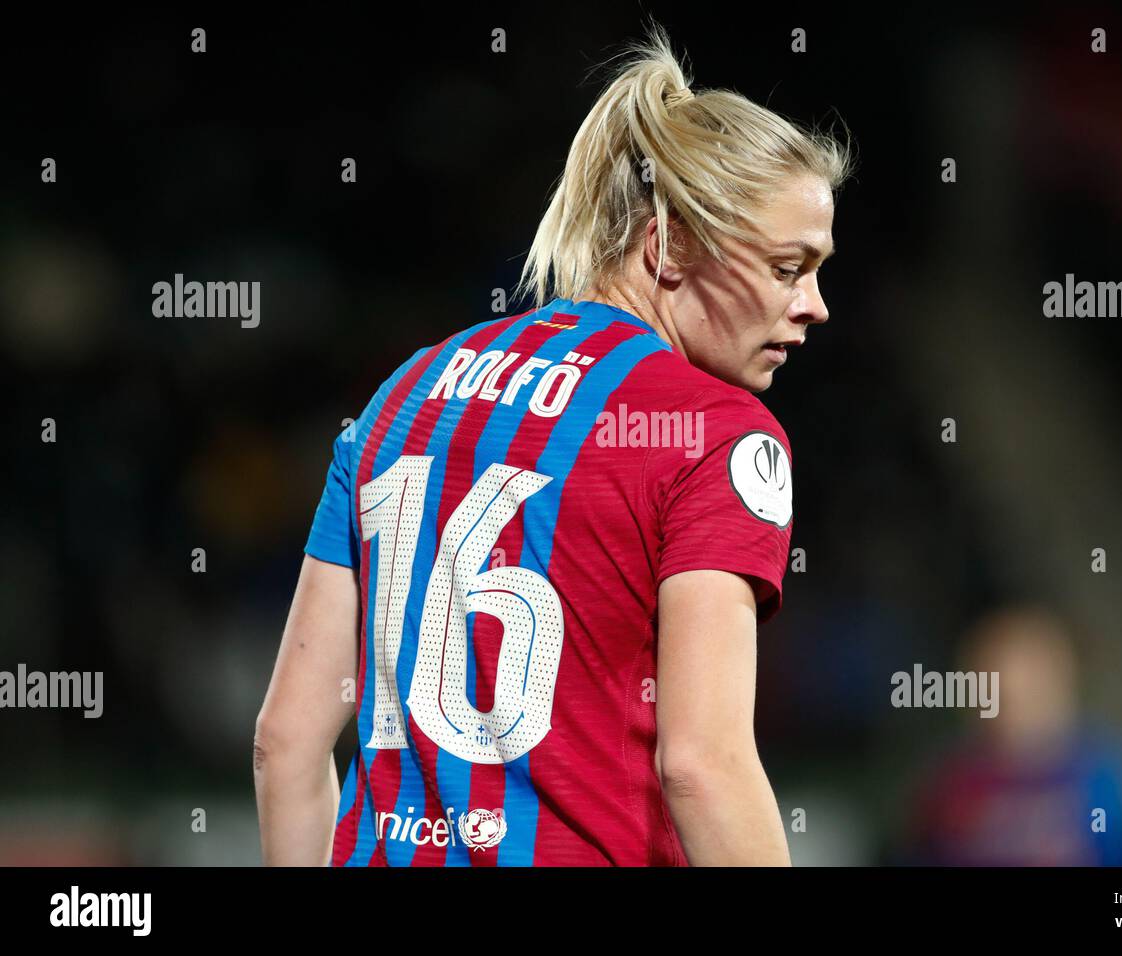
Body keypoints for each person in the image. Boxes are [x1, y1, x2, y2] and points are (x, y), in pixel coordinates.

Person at [254, 24, 852, 866]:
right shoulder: (716, 436)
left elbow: (285, 739)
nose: (815, 304)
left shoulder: (403, 396)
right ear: (672, 243)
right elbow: (704, 765)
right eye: (789, 267)